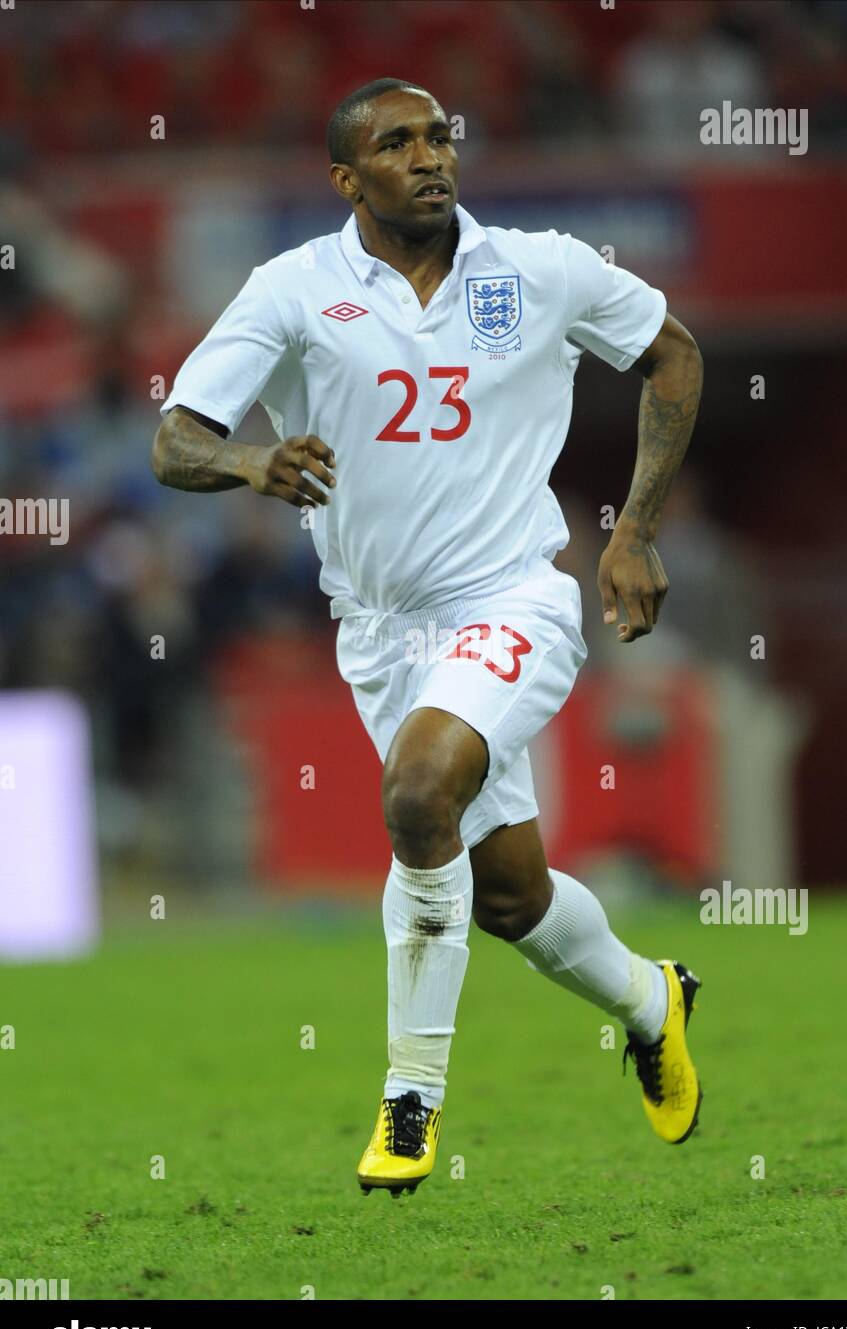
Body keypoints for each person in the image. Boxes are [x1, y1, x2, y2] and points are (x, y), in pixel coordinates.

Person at [151, 78, 705, 1198]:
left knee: (416, 797)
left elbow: (675, 354)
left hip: (514, 599)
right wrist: (251, 462)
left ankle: (410, 1099)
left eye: (440, 134)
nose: (430, 155)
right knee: (508, 897)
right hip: (381, 634)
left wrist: (634, 531)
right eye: (397, 143)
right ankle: (654, 1000)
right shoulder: (295, 290)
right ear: (348, 180)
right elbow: (175, 438)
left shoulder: (540, 268)